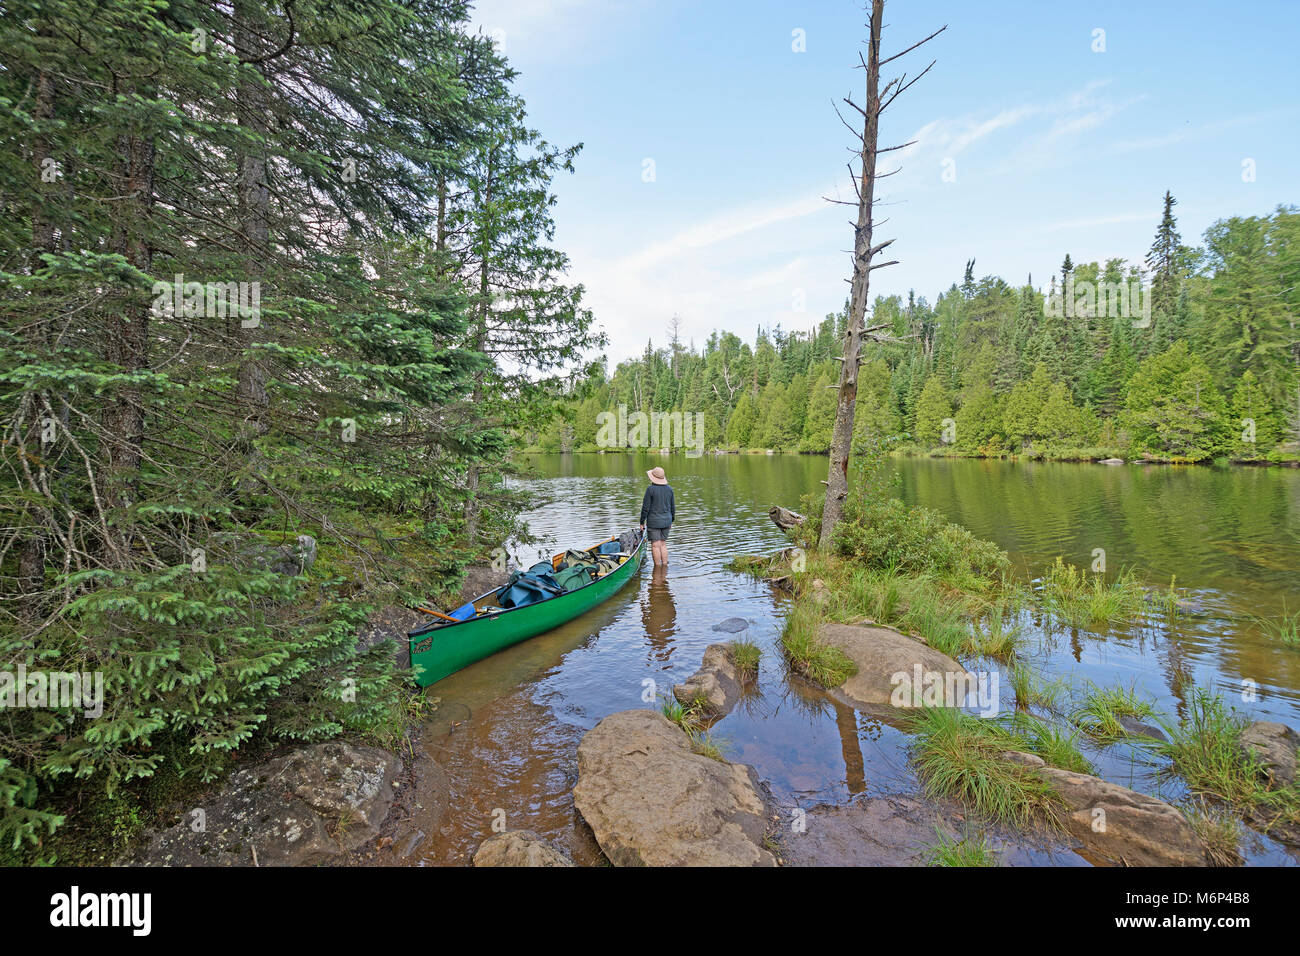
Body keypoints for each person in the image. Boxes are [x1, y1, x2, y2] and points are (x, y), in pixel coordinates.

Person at [639, 466, 674, 567]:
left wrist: (642, 522)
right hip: (667, 521)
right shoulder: (669, 489)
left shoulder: (650, 489)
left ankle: (658, 569)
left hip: (654, 522)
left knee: (655, 545)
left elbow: (645, 507)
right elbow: (672, 507)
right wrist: (672, 521)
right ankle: (664, 567)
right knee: (663, 544)